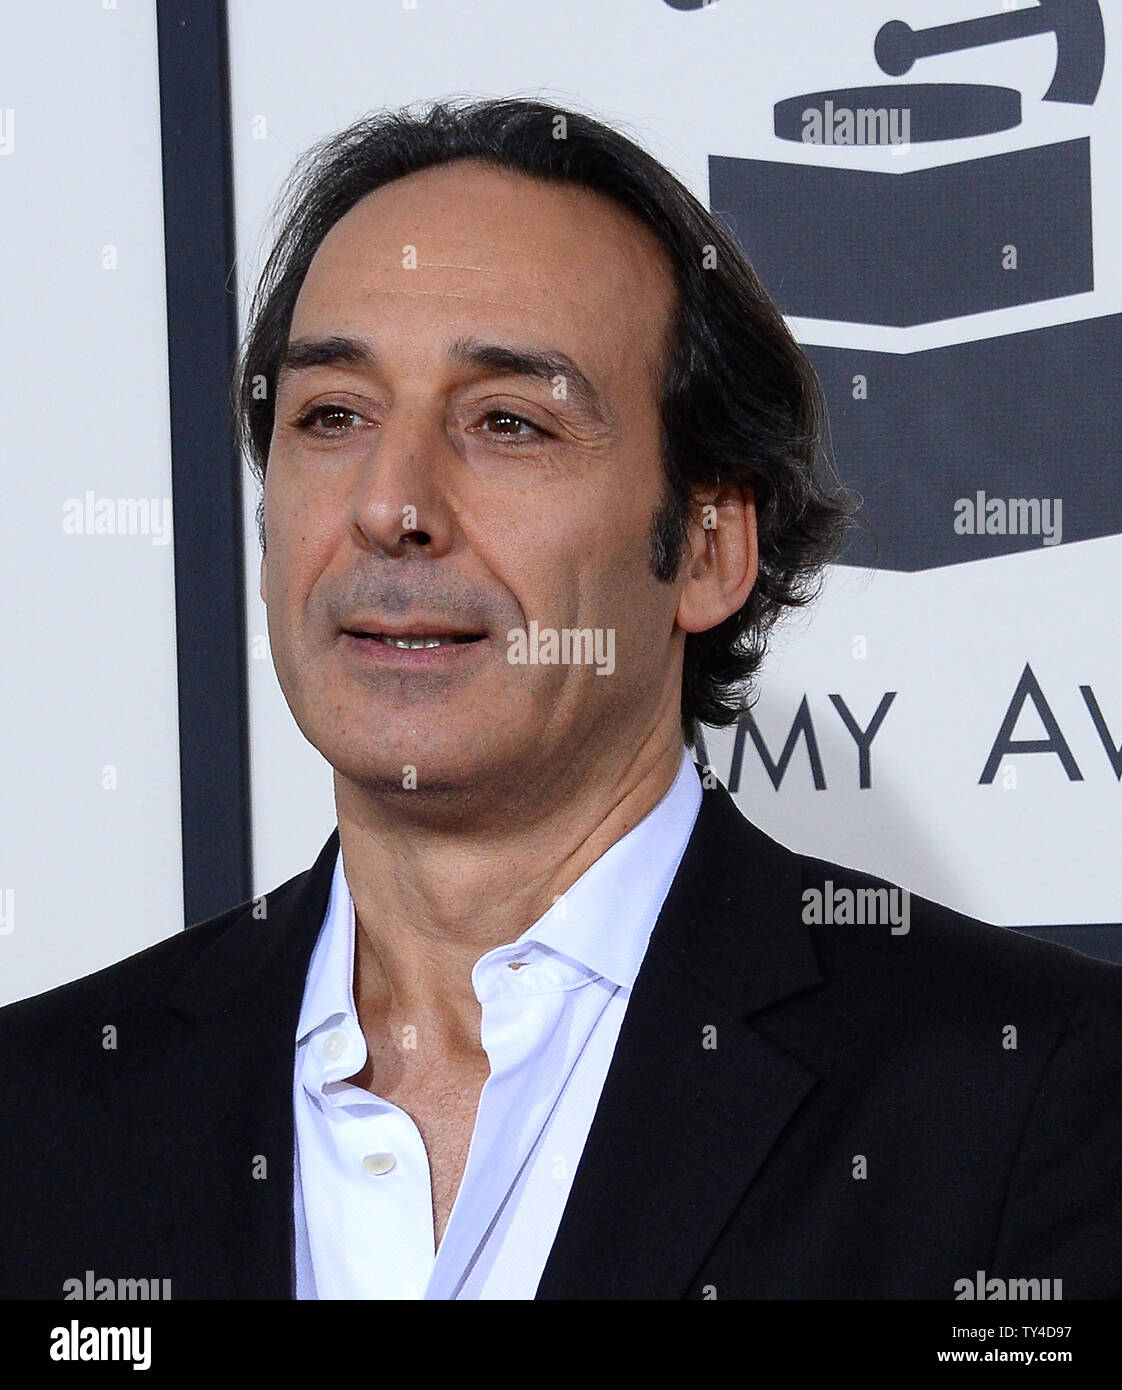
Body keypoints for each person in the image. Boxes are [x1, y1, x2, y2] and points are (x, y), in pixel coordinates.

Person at [1, 96, 1120, 1301]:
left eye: (508, 422)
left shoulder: (1027, 1098)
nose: (392, 504)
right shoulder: (39, 1111)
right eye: (332, 415)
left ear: (705, 547)